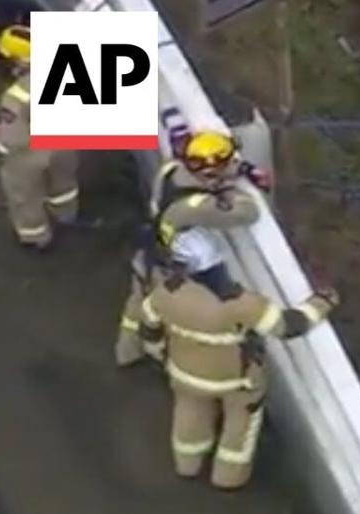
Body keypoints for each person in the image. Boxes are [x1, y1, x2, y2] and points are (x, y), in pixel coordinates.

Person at [139, 227, 339, 489]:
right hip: (237, 382)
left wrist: (159, 353)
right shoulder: (240, 303)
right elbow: (289, 326)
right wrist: (322, 302)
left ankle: (187, 465)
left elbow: (149, 324)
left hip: (184, 375)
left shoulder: (165, 293)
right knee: (239, 427)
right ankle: (227, 478)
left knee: (189, 415)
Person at [115, 129, 269, 366]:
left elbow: (210, 169)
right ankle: (160, 356)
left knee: (138, 305)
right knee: (166, 313)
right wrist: (229, 189)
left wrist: (245, 169)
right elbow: (248, 212)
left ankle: (126, 353)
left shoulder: (172, 170)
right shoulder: (198, 206)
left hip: (149, 251)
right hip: (175, 269)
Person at [0, 25, 82, 249]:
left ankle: (35, 237)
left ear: (20, 61)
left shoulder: (15, 97)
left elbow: (11, 140)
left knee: (24, 195)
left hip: (30, 153)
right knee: (63, 183)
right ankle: (66, 213)